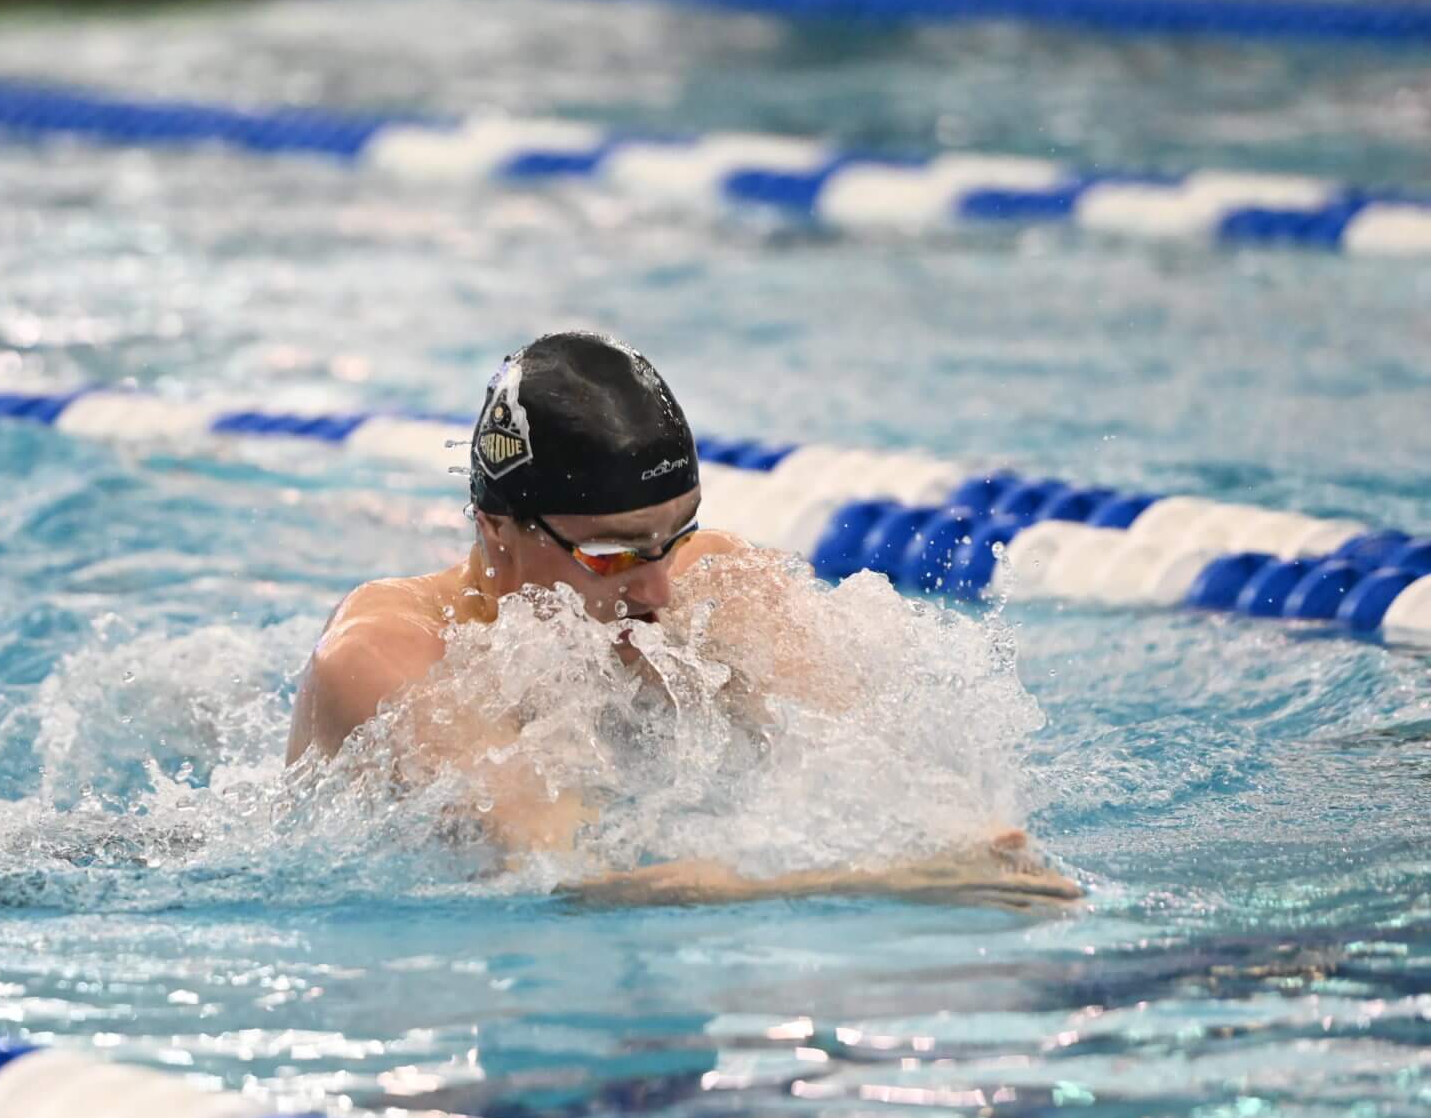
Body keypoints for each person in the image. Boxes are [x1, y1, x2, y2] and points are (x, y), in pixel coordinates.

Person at [287, 331, 1079, 908]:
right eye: (613, 554)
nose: (660, 591)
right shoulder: (387, 657)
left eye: (678, 535)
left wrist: (968, 840)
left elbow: (866, 763)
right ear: (497, 528)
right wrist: (902, 879)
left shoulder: (715, 586)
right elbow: (567, 877)